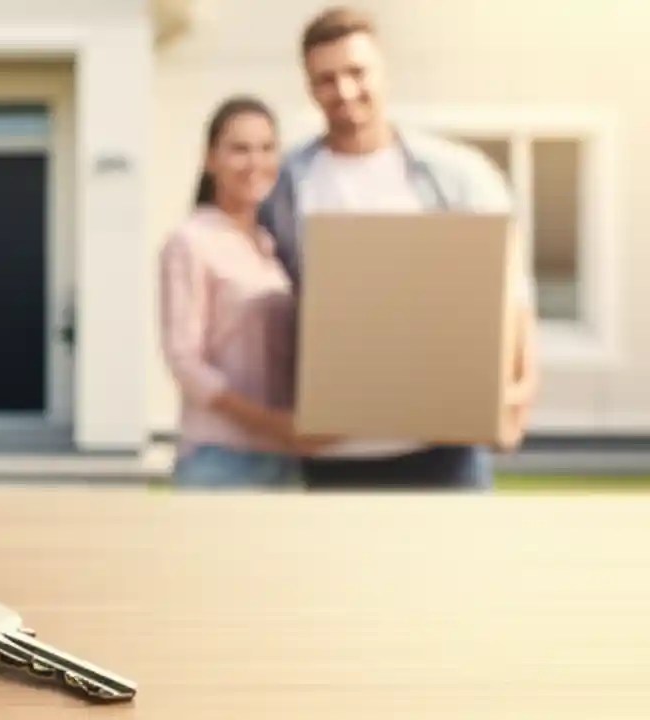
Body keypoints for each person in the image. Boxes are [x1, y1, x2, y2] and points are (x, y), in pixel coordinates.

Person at [257, 6, 540, 490]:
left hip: (443, 444)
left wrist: (517, 401)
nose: (344, 91)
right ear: (309, 87)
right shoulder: (283, 185)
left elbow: (511, 297)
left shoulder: (458, 176)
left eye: (356, 72)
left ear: (384, 71)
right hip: (334, 448)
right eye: (325, 79)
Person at [159, 96, 328, 489]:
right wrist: (269, 423)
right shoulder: (190, 241)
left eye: (267, 148)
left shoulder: (275, 247)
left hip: (285, 458)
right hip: (220, 459)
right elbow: (185, 362)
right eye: (239, 149)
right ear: (210, 159)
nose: (255, 163)